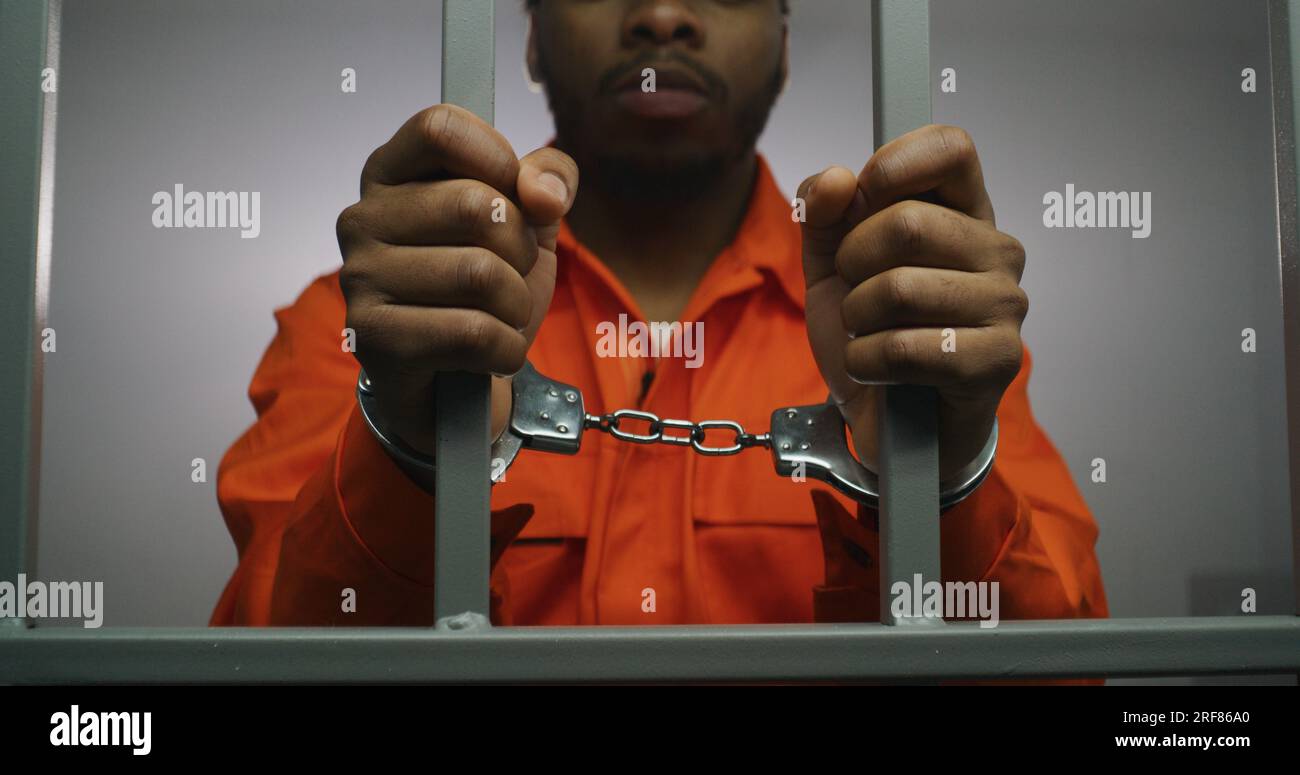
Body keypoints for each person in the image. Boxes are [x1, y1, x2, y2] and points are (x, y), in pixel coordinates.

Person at [210, 0, 1108, 629]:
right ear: (530, 40)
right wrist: (410, 449)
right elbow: (259, 673)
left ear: (784, 50)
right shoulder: (368, 331)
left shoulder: (927, 337)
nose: (664, 14)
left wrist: (936, 477)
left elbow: (1061, 677)